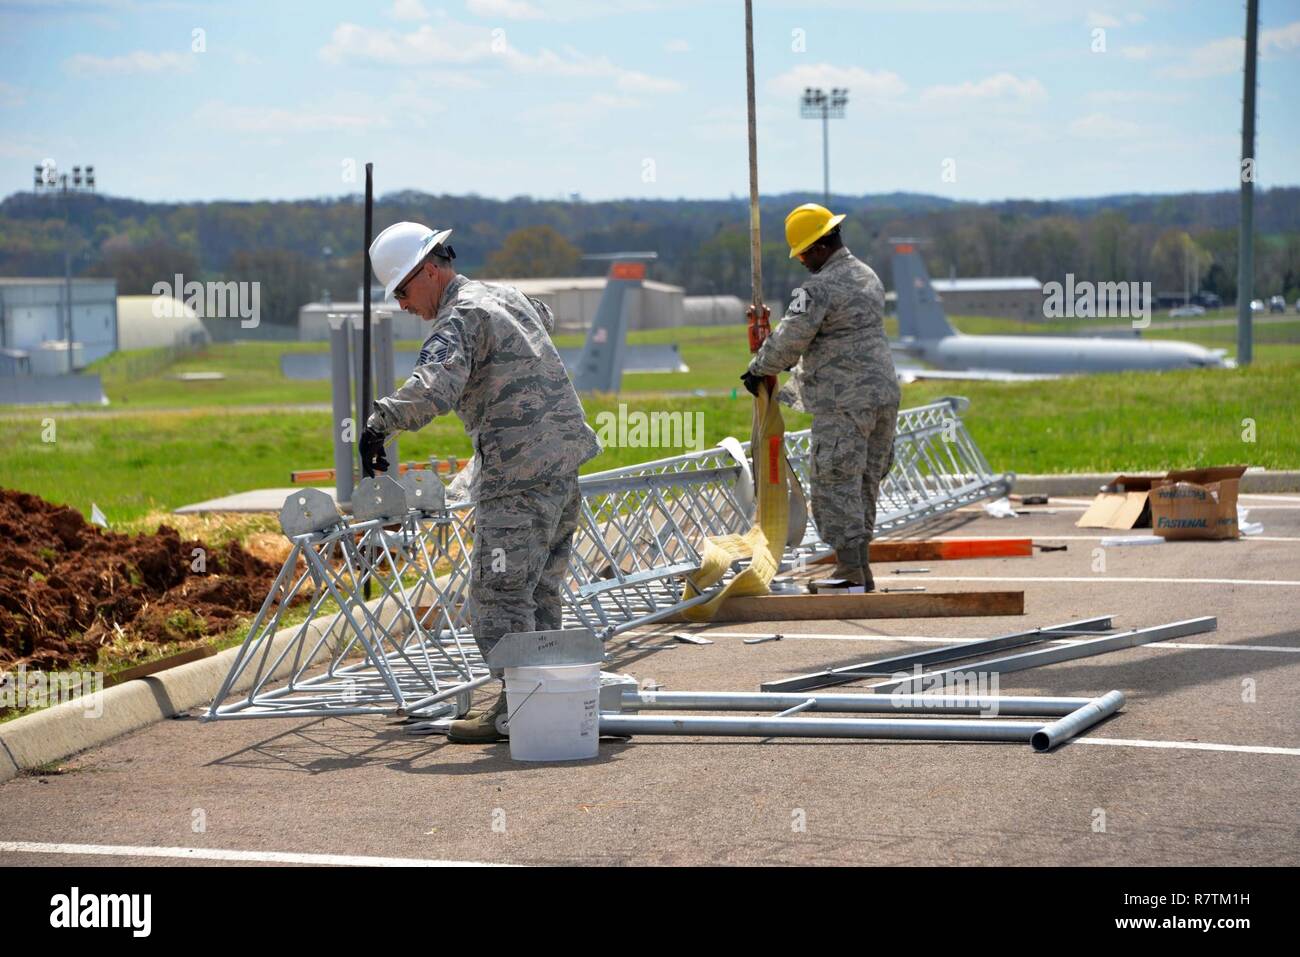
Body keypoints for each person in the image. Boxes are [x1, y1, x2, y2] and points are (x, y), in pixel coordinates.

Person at [361, 221, 601, 742]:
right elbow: (544, 321)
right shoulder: (503, 296)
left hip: (517, 476)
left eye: (402, 290)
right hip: (561, 466)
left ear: (429, 270)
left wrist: (378, 425)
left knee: (496, 598)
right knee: (538, 590)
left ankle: (523, 707)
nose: (402, 305)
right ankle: (546, 700)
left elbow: (434, 389)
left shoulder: (460, 317)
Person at [741, 203, 899, 591]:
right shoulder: (868, 275)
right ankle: (859, 570)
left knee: (833, 482)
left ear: (816, 247)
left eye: (804, 254)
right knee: (863, 482)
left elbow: (791, 339)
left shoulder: (818, 288)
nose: (803, 263)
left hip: (843, 401)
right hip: (881, 396)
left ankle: (849, 573)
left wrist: (759, 368)